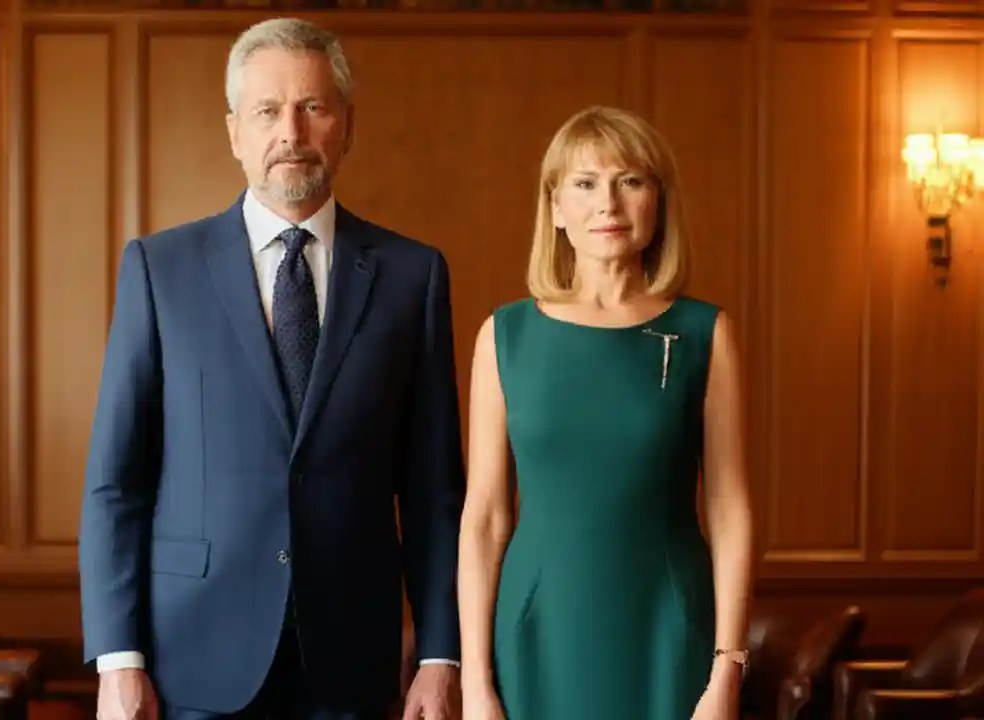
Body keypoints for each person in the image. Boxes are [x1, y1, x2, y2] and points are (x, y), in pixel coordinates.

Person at [78, 17, 465, 720]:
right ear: (235, 133)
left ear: (345, 125)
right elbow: (116, 482)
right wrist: (118, 660)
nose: (290, 130)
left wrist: (442, 655)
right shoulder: (160, 271)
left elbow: (435, 491)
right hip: (189, 661)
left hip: (352, 657)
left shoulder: (413, 277)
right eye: (267, 111)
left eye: (312, 107)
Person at [456, 105, 754, 719]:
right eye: (585, 184)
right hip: (536, 632)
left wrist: (727, 668)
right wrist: (475, 683)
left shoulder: (705, 333)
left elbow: (729, 509)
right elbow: (484, 519)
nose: (608, 204)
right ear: (556, 208)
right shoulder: (504, 336)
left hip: (668, 630)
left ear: (658, 202)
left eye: (631, 181)